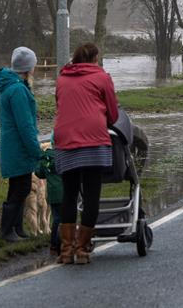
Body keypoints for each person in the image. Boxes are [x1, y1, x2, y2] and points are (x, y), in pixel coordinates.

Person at [53, 43, 118, 265]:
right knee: (91, 195)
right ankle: (82, 249)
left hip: (65, 139)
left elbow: (59, 104)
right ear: (93, 59)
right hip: (93, 139)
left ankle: (65, 251)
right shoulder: (102, 77)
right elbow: (113, 112)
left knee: (69, 193)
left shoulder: (62, 78)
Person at [0, 46, 42, 242]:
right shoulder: (18, 90)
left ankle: (17, 228)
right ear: (28, 67)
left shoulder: (11, 86)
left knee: (18, 186)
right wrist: (36, 150)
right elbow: (25, 125)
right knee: (20, 188)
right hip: (18, 146)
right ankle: (8, 230)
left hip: (13, 145)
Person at [35, 142, 63, 256]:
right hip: (66, 192)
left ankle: (53, 246)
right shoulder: (63, 155)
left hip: (52, 194)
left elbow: (39, 174)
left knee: (56, 219)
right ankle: (63, 243)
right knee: (66, 219)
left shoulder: (45, 158)